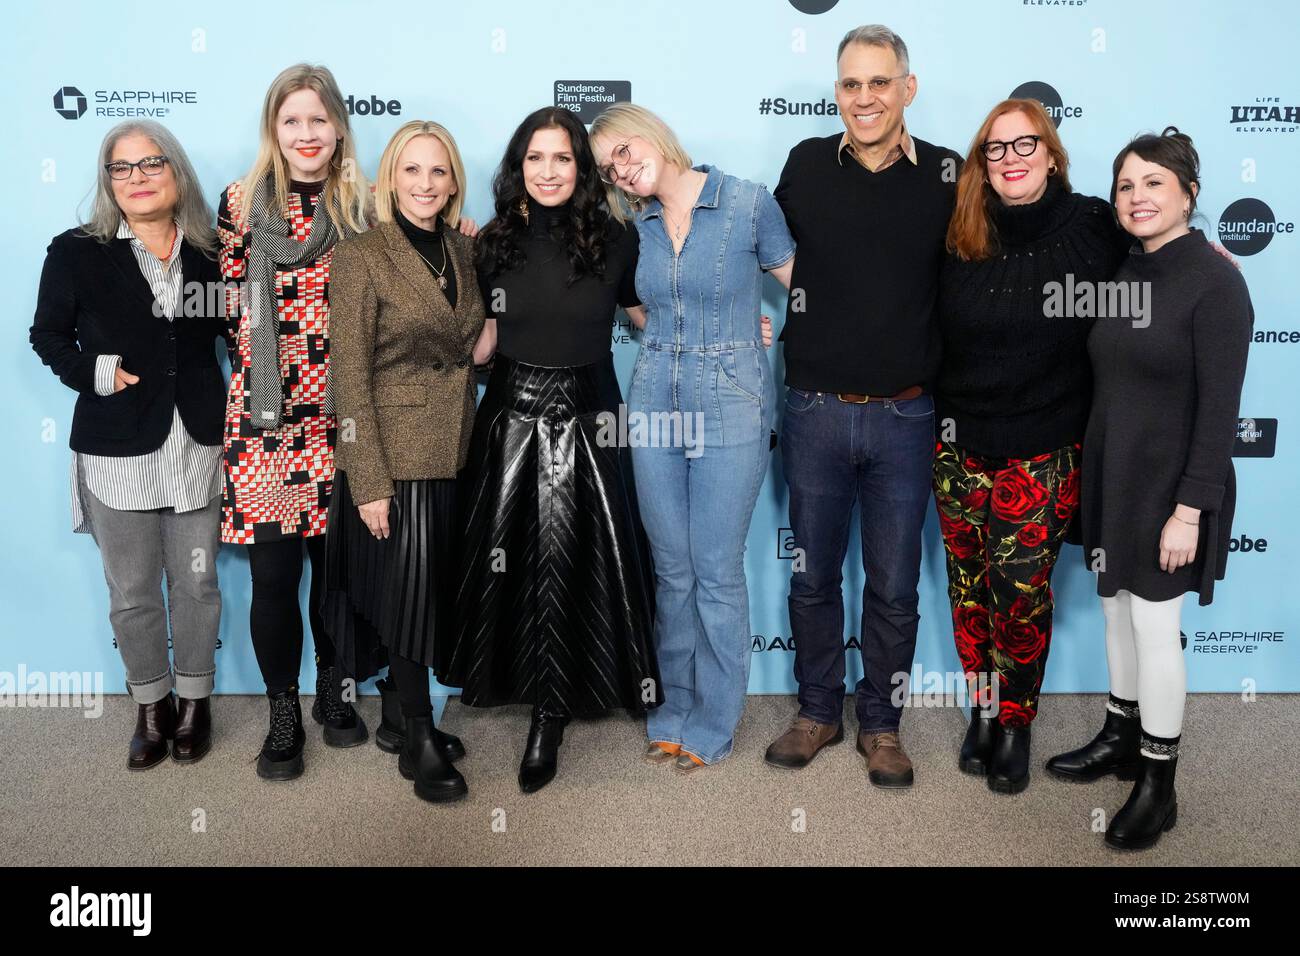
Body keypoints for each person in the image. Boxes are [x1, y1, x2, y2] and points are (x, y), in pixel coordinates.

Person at [439, 106, 662, 794]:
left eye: (562, 158)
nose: (548, 171)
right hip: (509, 420)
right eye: (535, 158)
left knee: (576, 562)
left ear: (581, 167)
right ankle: (527, 689)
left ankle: (556, 708)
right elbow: (482, 343)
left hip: (593, 420)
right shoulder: (490, 244)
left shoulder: (619, 241)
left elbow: (651, 316)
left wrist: (737, 326)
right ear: (518, 168)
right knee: (515, 565)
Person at [765, 25, 962, 788]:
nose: (865, 98)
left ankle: (881, 725)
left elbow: (1022, 229)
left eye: (880, 82)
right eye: (851, 84)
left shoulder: (949, 173)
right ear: (837, 92)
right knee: (813, 578)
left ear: (907, 89)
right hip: (813, 411)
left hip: (907, 418)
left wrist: (1158, 242)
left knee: (893, 585)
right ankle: (817, 712)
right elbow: (742, 233)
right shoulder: (806, 163)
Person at [1055, 127, 1252, 850]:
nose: (1137, 198)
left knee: (1155, 629)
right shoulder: (1126, 269)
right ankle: (1120, 736)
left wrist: (1190, 511)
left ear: (1189, 195)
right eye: (1126, 186)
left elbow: (1221, 410)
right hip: (1114, 476)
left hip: (1173, 489)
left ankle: (1159, 785)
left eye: (1154, 184)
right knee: (1115, 614)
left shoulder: (1218, 282)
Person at [931, 99, 1128, 794]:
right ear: (982, 163)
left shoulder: (1096, 226)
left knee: (1019, 597)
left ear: (1052, 154)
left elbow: (1160, 268)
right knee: (968, 593)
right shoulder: (959, 233)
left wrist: (1205, 256)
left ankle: (1017, 721)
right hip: (958, 447)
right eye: (996, 148)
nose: (1011, 159)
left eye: (1026, 145)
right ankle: (982, 712)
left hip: (1043, 450)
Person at [590, 103, 793, 773]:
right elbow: (641, 307)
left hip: (732, 406)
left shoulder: (748, 204)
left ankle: (714, 718)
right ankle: (672, 708)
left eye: (622, 151)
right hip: (653, 401)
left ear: (652, 133)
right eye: (606, 167)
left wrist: (755, 333)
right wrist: (687, 333)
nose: (619, 171)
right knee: (671, 568)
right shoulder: (634, 228)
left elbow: (806, 292)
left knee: (714, 570)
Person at [30, 120, 227, 769]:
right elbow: (49, 335)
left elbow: (244, 330)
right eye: (122, 168)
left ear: (177, 174)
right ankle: (153, 705)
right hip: (116, 448)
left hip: (197, 444)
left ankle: (196, 702)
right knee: (134, 592)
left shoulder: (211, 252)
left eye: (151, 164)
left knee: (196, 587)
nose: (137, 178)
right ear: (108, 179)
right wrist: (92, 372)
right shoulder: (78, 252)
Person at [324, 120, 488, 803]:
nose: (426, 184)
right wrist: (368, 481)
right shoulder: (362, 255)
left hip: (456, 446)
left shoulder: (461, 249)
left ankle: (398, 711)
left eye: (438, 171)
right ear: (390, 178)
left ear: (453, 182)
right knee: (410, 597)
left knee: (432, 590)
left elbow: (473, 344)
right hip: (393, 453)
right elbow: (350, 377)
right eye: (412, 170)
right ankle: (419, 733)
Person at [217, 63, 371, 780]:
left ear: (338, 125)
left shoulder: (366, 210)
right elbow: (223, 311)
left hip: (345, 420)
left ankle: (334, 693)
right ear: (273, 130)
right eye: (291, 121)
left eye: (318, 119)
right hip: (265, 424)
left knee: (337, 576)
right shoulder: (239, 204)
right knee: (274, 577)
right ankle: (282, 711)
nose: (306, 134)